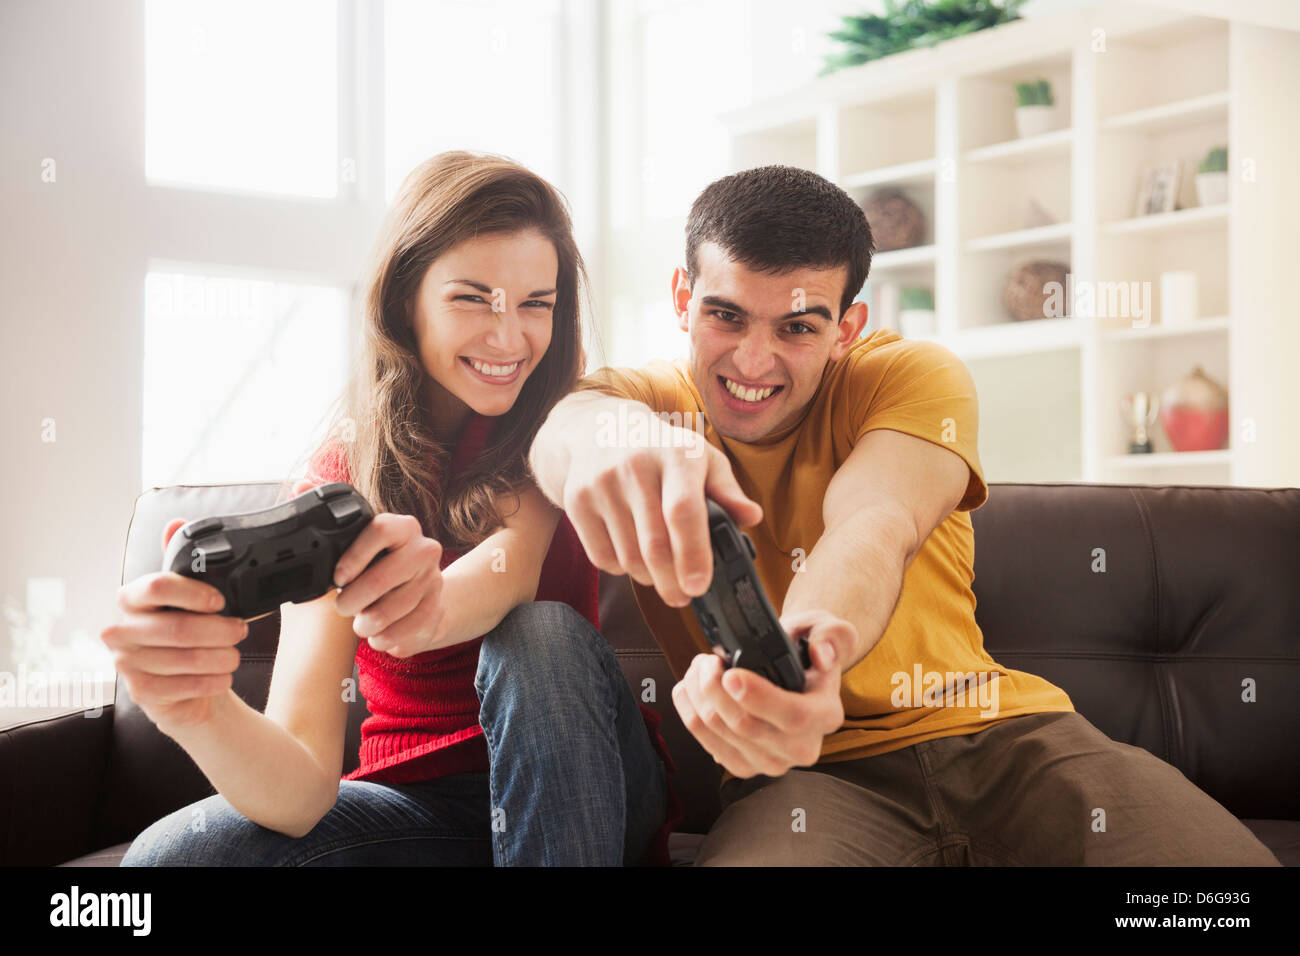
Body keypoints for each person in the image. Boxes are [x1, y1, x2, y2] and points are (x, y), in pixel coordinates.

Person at [527, 164, 1281, 866]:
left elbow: (877, 522)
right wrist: (598, 447)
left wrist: (812, 652)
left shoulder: (910, 376)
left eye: (797, 327)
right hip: (807, 779)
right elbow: (566, 423)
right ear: (683, 301)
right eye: (725, 315)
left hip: (1006, 739)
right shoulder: (646, 404)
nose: (753, 362)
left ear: (846, 328)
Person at [108, 151, 673, 867]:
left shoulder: (555, 427)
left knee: (537, 636)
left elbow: (510, 571)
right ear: (405, 298)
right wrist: (199, 711)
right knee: (169, 859)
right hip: (426, 809)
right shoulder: (337, 477)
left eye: (537, 303)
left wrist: (425, 605)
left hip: (594, 783)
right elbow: (302, 790)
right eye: (473, 298)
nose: (510, 337)